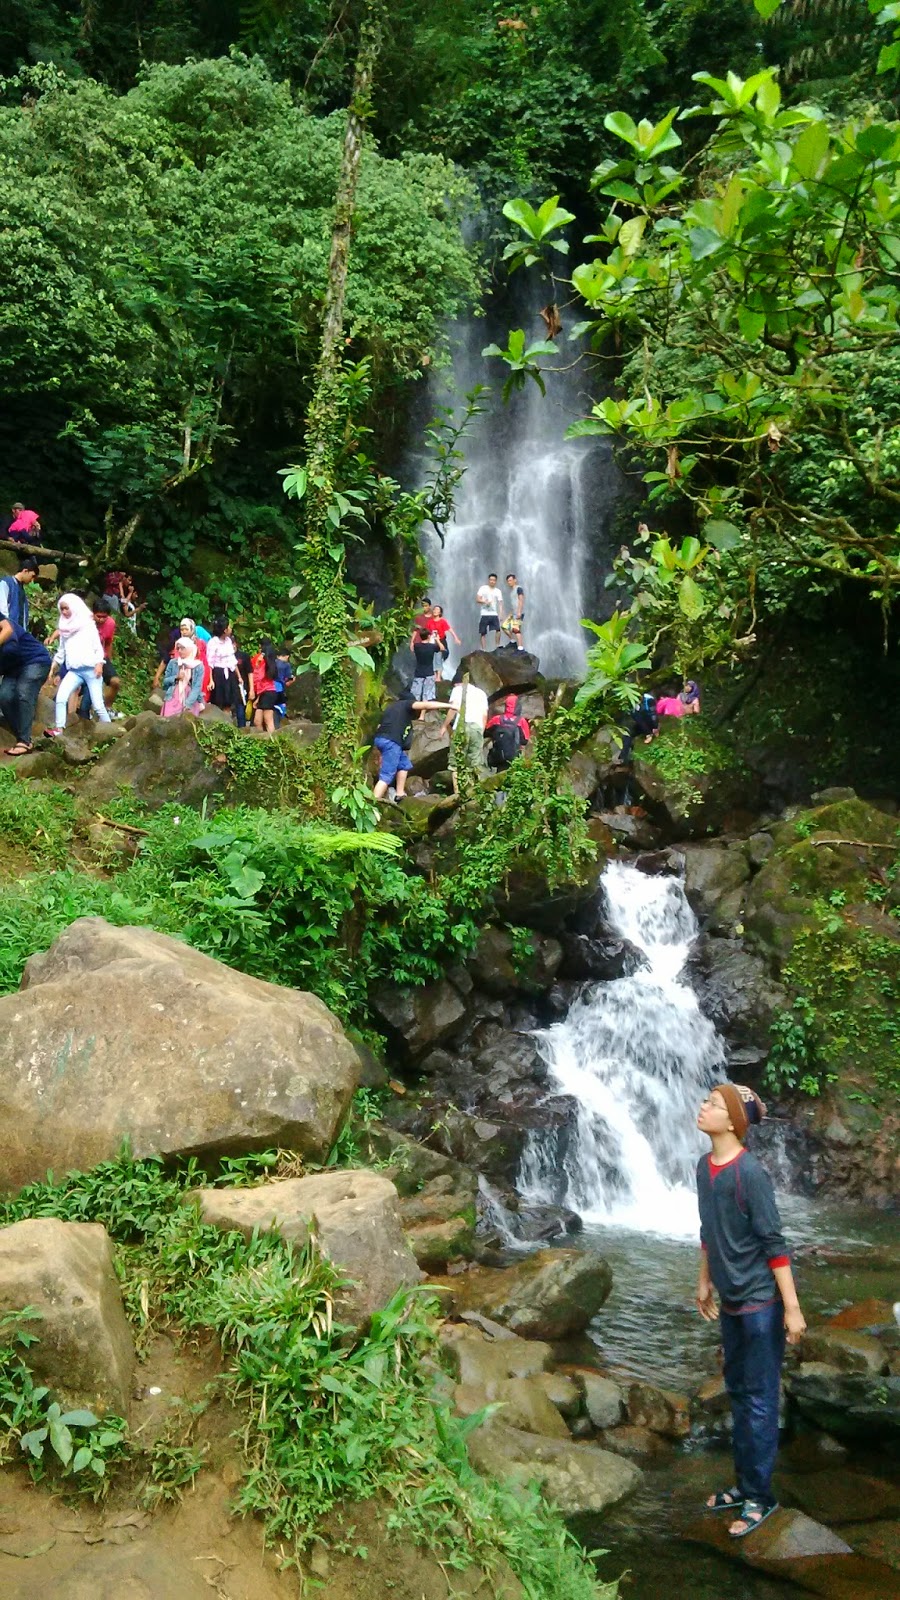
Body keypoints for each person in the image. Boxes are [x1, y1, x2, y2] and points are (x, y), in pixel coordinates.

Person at [696, 1084, 806, 1539]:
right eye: (707, 1101)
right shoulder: (704, 1168)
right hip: (731, 1300)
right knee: (739, 1393)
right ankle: (744, 1488)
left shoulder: (751, 1174)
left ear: (735, 1121)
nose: (704, 1107)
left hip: (761, 1304)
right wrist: (703, 1280)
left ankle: (762, 1497)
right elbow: (708, 1227)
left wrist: (792, 1309)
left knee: (760, 1402)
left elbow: (774, 1245)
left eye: (714, 1104)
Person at [44, 594, 111, 737]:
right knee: (61, 697)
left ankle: (111, 731)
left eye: (66, 608)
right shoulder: (64, 628)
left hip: (92, 670)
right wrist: (53, 668)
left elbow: (97, 647)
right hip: (74, 671)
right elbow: (61, 651)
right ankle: (59, 729)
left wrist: (99, 663)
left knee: (98, 705)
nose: (64, 612)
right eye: (61, 609)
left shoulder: (87, 625)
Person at [0, 618, 52, 754]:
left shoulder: (5, 626)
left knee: (24, 691)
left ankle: (24, 741)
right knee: (4, 697)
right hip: (12, 668)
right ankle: (25, 736)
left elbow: (10, 637)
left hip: (34, 660)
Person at [440, 673, 489, 794]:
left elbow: (453, 709)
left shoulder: (458, 689)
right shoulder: (481, 693)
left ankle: (458, 794)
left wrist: (444, 726)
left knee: (455, 762)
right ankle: (473, 791)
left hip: (462, 726)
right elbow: (484, 715)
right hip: (477, 728)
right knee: (474, 761)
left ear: (457, 683)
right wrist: (481, 732)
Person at [78, 599, 121, 720]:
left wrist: (108, 660)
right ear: (93, 613)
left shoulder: (110, 624)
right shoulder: (85, 622)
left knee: (115, 682)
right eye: (98, 616)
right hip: (85, 656)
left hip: (101, 657)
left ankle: (107, 708)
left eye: (104, 617)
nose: (101, 620)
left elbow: (108, 642)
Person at [207, 616, 246, 727]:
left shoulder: (229, 641)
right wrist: (210, 680)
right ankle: (217, 724)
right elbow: (210, 662)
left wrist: (239, 677)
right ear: (224, 630)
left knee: (229, 701)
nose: (230, 628)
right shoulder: (213, 642)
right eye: (229, 627)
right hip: (218, 673)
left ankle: (227, 724)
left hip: (229, 672)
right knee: (218, 700)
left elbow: (232, 660)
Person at [485, 693, 530, 772]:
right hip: (514, 756)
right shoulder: (521, 721)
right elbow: (525, 740)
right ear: (518, 706)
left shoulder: (497, 719)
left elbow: (486, 731)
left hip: (499, 755)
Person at [161, 637, 205, 717]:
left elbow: (197, 687)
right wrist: (176, 677)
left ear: (189, 649)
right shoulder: (173, 662)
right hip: (173, 695)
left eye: (183, 648)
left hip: (190, 696)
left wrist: (188, 704)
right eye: (178, 648)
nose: (180, 651)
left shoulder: (198, 666)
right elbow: (165, 681)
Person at [0, 554, 40, 630]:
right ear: (25, 571)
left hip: (19, 632)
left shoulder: (21, 590)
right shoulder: (6, 583)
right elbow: (2, 608)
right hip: (8, 631)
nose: (32, 580)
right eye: (32, 576)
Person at [251, 638, 282, 733]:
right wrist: (258, 698)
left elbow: (258, 678)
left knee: (268, 720)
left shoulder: (265, 664)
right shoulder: (268, 663)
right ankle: (262, 740)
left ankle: (273, 742)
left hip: (268, 693)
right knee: (257, 721)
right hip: (264, 693)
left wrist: (257, 665)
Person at [619, 693, 658, 762]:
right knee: (627, 734)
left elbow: (653, 714)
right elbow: (633, 715)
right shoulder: (632, 703)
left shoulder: (649, 700)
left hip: (650, 723)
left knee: (638, 716)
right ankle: (623, 757)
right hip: (641, 724)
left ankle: (648, 734)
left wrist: (655, 727)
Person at [429, 604, 460, 681]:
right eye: (434, 609)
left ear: (440, 613)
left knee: (440, 657)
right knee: (434, 658)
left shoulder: (442, 621)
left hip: (441, 641)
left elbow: (450, 629)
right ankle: (436, 676)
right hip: (432, 641)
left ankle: (438, 676)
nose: (435, 611)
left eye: (437, 610)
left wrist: (456, 638)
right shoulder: (430, 622)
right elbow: (428, 632)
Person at [410, 627, 437, 715]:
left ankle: (413, 714)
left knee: (416, 695)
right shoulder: (432, 647)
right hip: (429, 673)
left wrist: (413, 637)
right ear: (429, 636)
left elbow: (411, 647)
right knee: (426, 695)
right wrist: (437, 639)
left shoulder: (417, 646)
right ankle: (422, 715)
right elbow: (442, 648)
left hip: (419, 673)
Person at [476, 573, 504, 650]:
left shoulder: (498, 591)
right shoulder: (483, 588)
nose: (492, 581)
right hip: (484, 613)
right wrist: (484, 601)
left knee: (498, 630)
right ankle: (484, 649)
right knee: (483, 632)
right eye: (491, 580)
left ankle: (497, 645)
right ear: (488, 580)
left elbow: (500, 603)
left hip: (494, 613)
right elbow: (477, 599)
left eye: (494, 580)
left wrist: (501, 614)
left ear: (496, 581)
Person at [273, 645, 294, 728]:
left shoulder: (273, 662)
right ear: (287, 656)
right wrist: (292, 680)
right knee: (280, 707)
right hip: (279, 688)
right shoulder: (286, 665)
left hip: (269, 687)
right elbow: (288, 679)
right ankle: (277, 726)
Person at [506, 573, 525, 640]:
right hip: (514, 613)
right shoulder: (511, 592)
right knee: (505, 627)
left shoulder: (519, 588)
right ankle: (513, 641)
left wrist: (519, 612)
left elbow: (521, 599)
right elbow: (514, 603)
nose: (509, 582)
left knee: (516, 630)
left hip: (518, 612)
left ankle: (520, 648)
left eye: (510, 580)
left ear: (515, 580)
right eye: (508, 581)